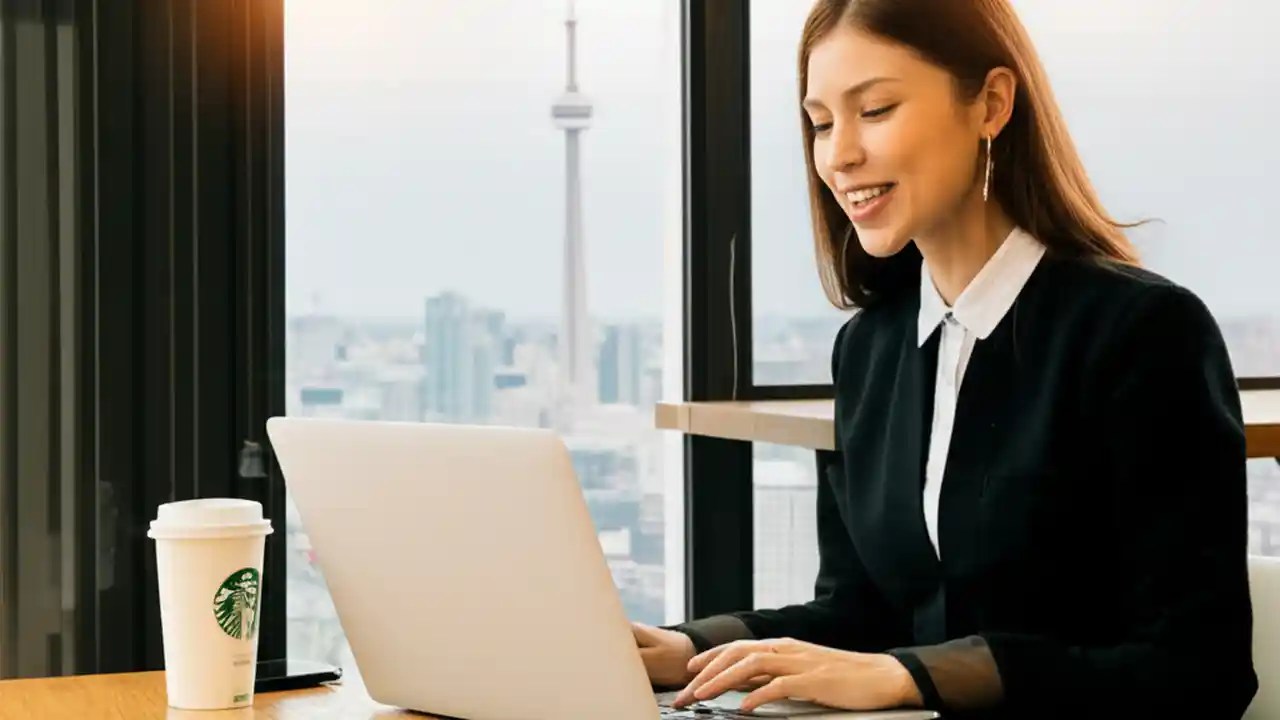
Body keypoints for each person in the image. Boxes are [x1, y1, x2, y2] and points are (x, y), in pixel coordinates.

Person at [632, 1, 1258, 717]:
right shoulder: (869, 350)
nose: (838, 155)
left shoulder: (1142, 333)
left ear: (991, 103)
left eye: (876, 109)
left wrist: (912, 678)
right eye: (821, 122)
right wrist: (689, 649)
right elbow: (860, 614)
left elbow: (1198, 672)